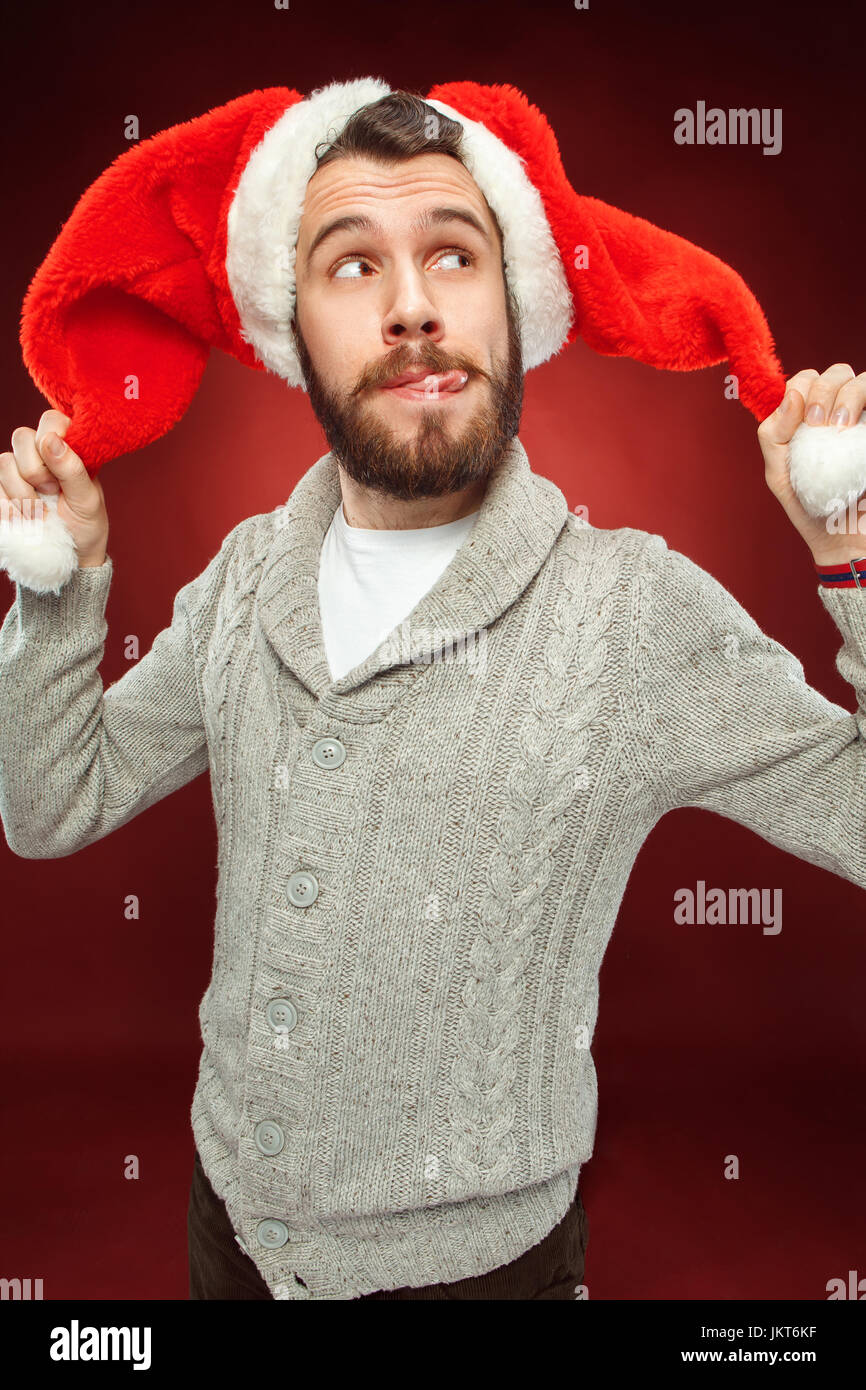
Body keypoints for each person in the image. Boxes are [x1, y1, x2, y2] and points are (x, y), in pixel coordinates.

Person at [1, 90, 865, 1302]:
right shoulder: (248, 576)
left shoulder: (629, 615)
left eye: (452, 254)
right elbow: (48, 805)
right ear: (291, 327)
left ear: (514, 305)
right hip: (228, 1238)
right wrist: (64, 586)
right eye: (350, 264)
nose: (410, 304)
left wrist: (855, 559)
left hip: (478, 1277)